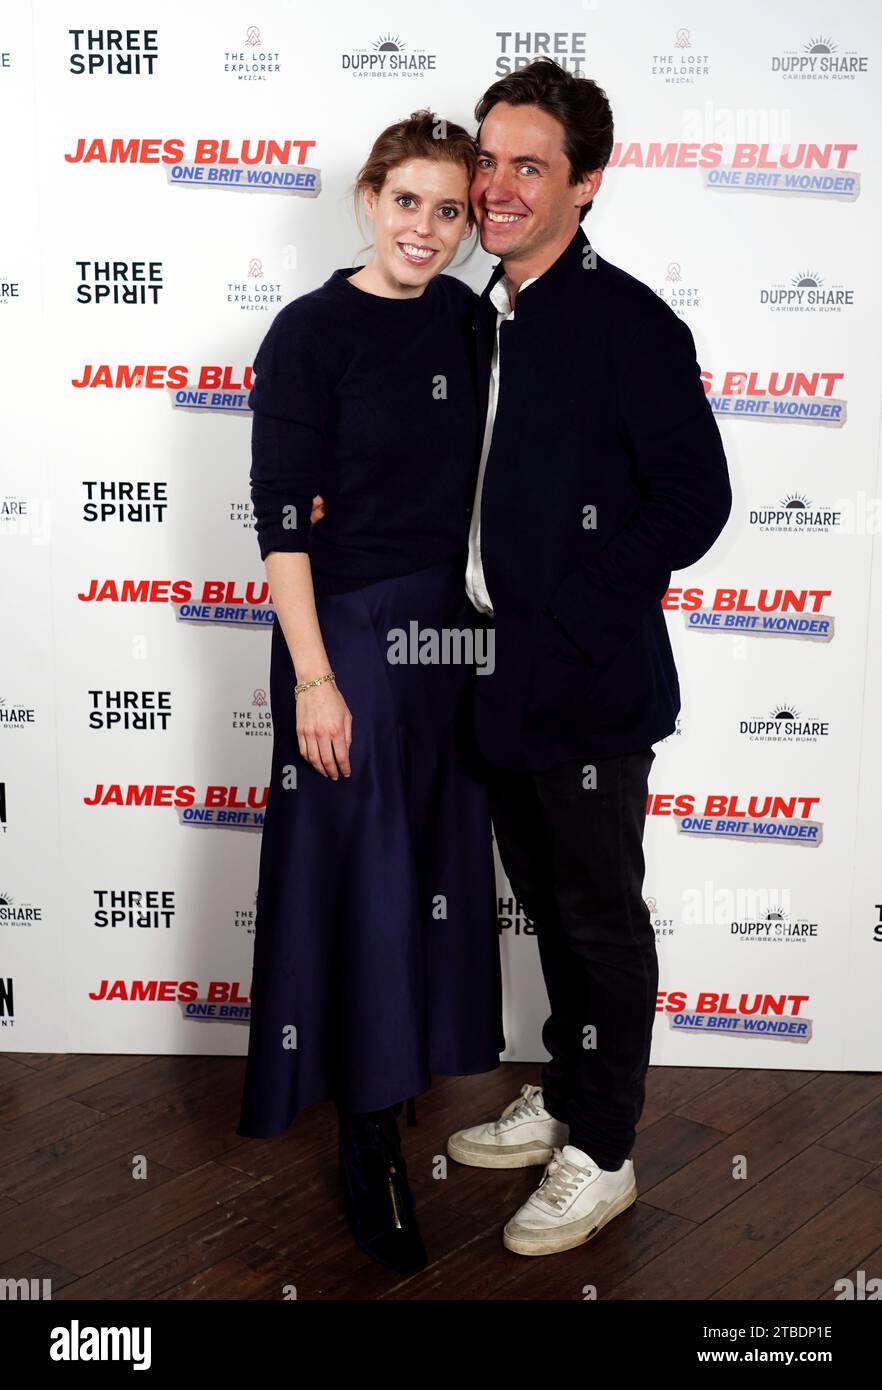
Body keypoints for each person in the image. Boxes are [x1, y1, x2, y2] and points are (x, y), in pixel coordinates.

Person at [445, 59, 732, 1256]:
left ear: (587, 184)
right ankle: (566, 1091)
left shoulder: (627, 322)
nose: (498, 186)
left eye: (530, 165)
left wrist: (574, 604)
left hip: (588, 681)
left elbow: (696, 498)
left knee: (601, 922)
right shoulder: (476, 309)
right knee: (554, 917)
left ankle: (602, 1151)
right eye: (489, 159)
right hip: (494, 677)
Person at [236, 110, 504, 1275]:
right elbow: (283, 516)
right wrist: (314, 679)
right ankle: (364, 1147)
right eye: (410, 202)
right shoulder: (308, 333)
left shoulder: (473, 322)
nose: (429, 229)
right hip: (341, 637)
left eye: (451, 210)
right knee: (360, 889)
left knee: (430, 882)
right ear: (369, 197)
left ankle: (403, 1097)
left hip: (449, 636)